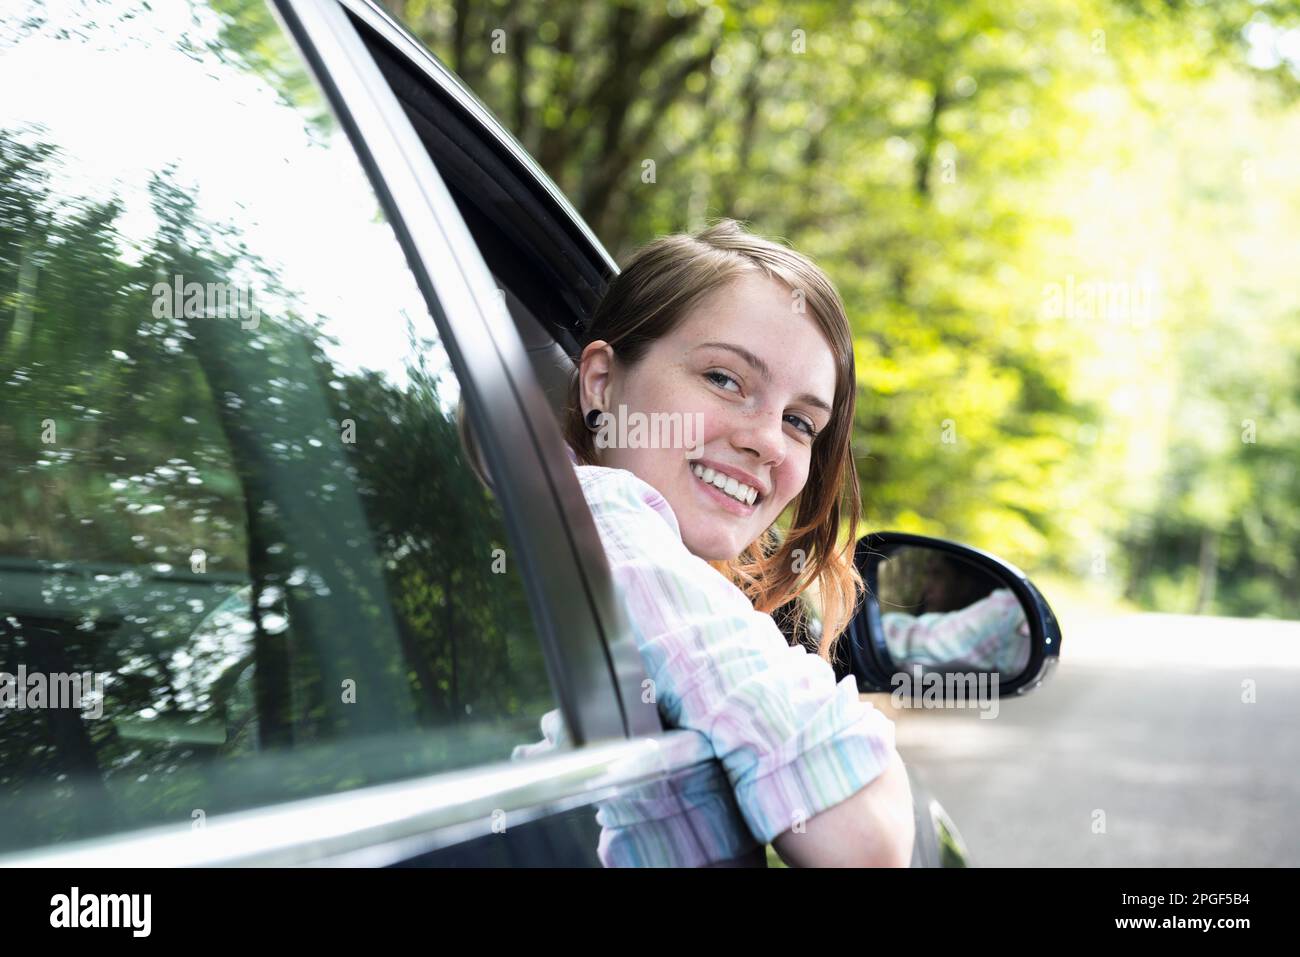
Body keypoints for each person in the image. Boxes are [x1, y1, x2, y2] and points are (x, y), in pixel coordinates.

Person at [506, 219, 914, 867]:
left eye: (800, 421)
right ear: (601, 385)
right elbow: (862, 839)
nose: (769, 442)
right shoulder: (609, 523)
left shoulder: (544, 528)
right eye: (725, 379)